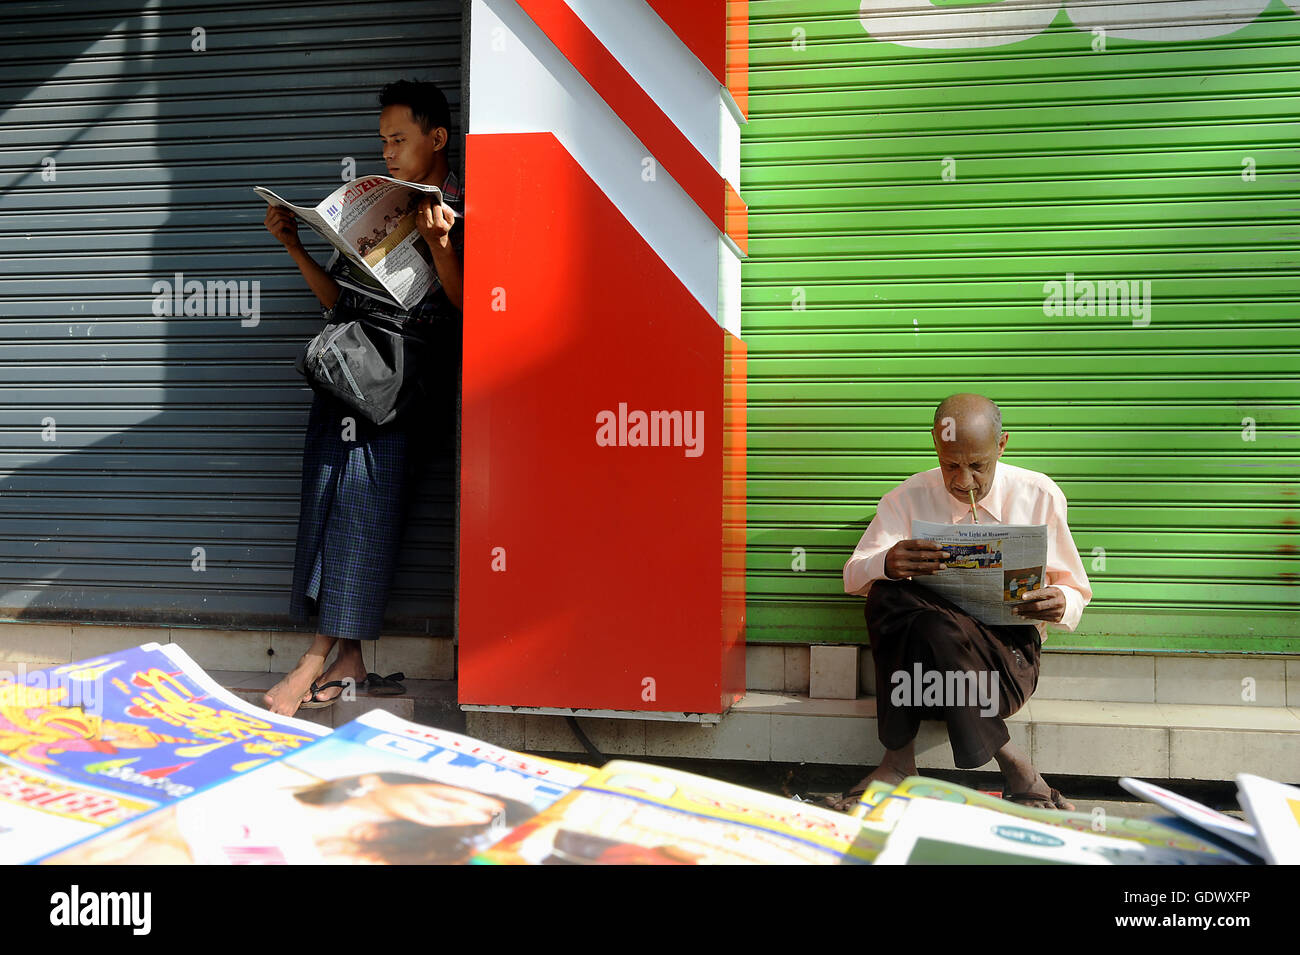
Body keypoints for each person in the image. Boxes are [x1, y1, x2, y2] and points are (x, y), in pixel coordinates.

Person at [262, 79, 464, 715]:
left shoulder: (454, 210)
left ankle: (310, 663)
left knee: (362, 519)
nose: (388, 152)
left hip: (395, 389)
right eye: (382, 141)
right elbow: (336, 304)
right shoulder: (380, 205)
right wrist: (294, 244)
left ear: (438, 139)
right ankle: (348, 664)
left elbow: (466, 309)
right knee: (326, 512)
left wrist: (439, 243)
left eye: (399, 140)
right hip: (342, 380)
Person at [835, 394, 1092, 811]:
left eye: (978, 466)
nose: (964, 482)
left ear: (1002, 445)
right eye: (951, 465)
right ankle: (1012, 762)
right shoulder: (907, 497)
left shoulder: (1039, 494)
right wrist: (888, 560)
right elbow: (852, 576)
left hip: (1002, 667)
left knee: (934, 623)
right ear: (936, 447)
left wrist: (1058, 602)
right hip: (922, 679)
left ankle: (898, 763)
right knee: (890, 595)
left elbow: (1076, 590)